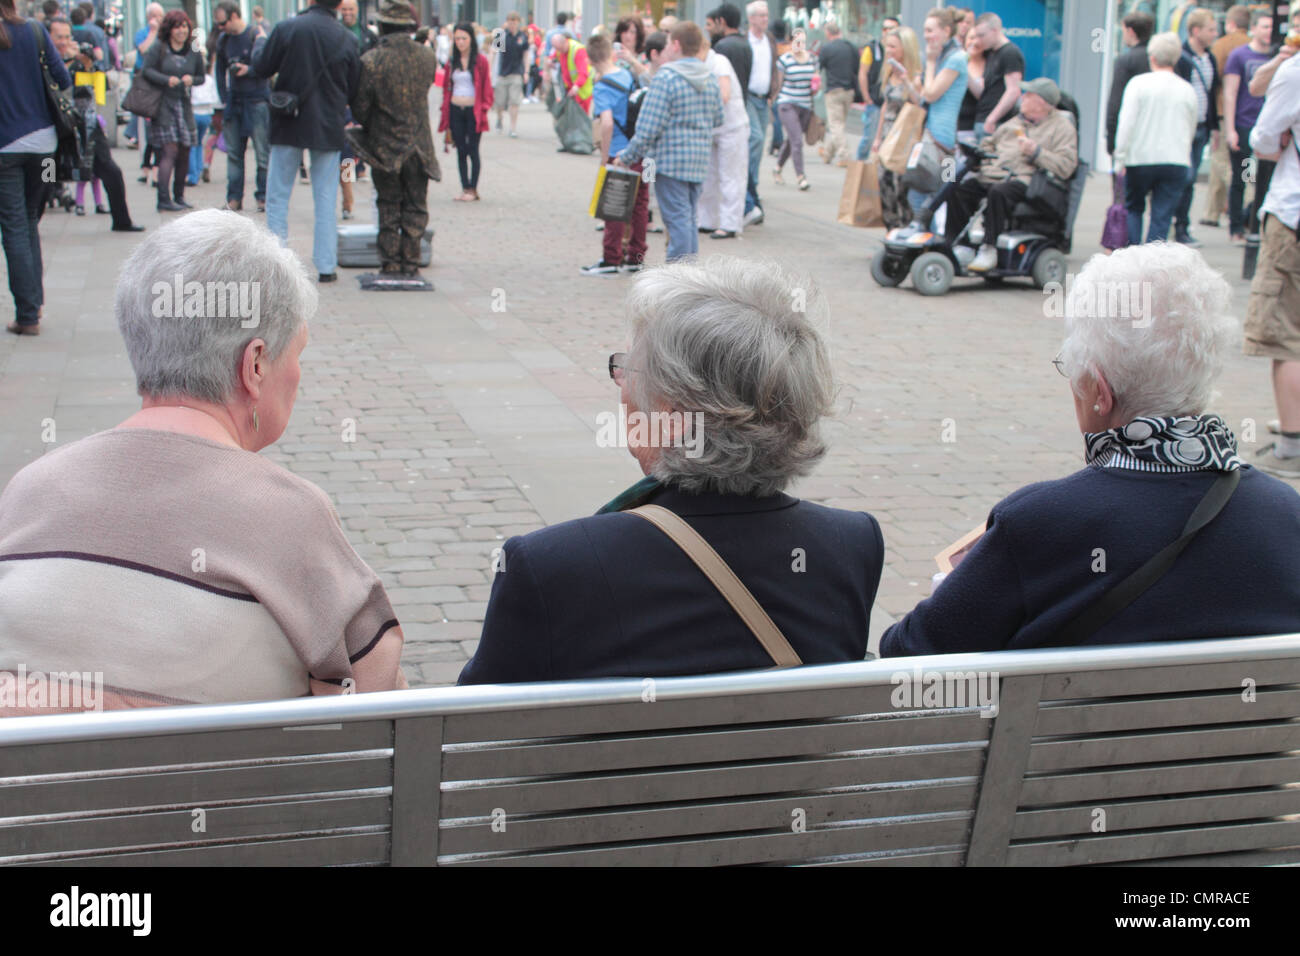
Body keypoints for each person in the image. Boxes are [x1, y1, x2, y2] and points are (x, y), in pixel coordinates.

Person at [0, 212, 410, 711]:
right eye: (297, 353)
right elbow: (376, 716)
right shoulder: (290, 518)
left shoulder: (27, 493)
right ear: (255, 365)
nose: (298, 374)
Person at [459, 257, 884, 684]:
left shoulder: (551, 567)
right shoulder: (851, 545)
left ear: (671, 412)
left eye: (629, 368)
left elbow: (470, 732)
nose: (621, 383)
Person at [881, 242, 1300, 657]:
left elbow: (907, 654)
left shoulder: (1037, 522)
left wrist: (953, 590)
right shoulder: (1287, 515)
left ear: (1100, 392)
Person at [253, 0, 360, 283]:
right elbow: (354, 86)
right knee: (325, 196)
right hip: (328, 124)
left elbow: (262, 67)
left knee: (277, 195)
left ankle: (277, 266)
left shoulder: (287, 28)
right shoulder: (347, 38)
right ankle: (326, 265)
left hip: (289, 119)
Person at [614, 21, 723, 263]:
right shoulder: (709, 77)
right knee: (688, 218)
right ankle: (689, 272)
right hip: (698, 160)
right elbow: (718, 117)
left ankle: (679, 277)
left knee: (677, 222)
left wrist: (627, 157)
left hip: (671, 160)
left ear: (676, 44)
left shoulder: (667, 77)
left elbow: (648, 126)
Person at [944, 78, 1078, 272]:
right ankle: (959, 245)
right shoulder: (1014, 122)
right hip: (993, 174)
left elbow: (1067, 166)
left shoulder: (1062, 128)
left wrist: (1037, 152)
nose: (1022, 98)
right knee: (958, 190)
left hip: (1027, 180)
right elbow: (990, 143)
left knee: (999, 193)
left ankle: (989, 248)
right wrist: (979, 152)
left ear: (1042, 102)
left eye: (1028, 95)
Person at [350, 0, 439, 277]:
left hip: (386, 146)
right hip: (419, 147)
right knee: (416, 206)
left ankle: (389, 262)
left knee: (388, 205)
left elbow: (361, 108)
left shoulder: (372, 61)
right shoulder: (427, 57)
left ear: (384, 27)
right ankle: (411, 262)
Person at [1243, 47, 1300, 479]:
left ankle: (1290, 446)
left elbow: (1262, 139)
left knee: (1284, 334)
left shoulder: (1295, 73)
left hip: (1293, 213)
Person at [1, 0, 70, 337]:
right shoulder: (33, 30)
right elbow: (62, 77)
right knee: (31, 218)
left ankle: (28, 313)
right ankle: (34, 303)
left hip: (5, 151)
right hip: (46, 149)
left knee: (15, 224)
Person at [51, 22, 142, 233]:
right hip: (55, 131)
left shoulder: (80, 63)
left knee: (112, 171)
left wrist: (88, 63)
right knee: (45, 177)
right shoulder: (47, 61)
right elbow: (59, 87)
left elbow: (98, 89)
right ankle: (31, 222)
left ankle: (122, 220)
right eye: (59, 37)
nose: (64, 42)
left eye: (67, 37)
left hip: (87, 127)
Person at [1115, 32, 1197, 246]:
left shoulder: (1138, 84)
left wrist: (1119, 157)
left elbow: (1127, 123)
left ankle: (1131, 258)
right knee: (1162, 216)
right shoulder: (1187, 90)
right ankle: (1154, 265)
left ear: (1152, 57)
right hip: (1175, 159)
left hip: (1140, 157)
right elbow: (1191, 126)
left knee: (1133, 209)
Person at [582, 33, 647, 275]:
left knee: (614, 205)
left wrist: (604, 158)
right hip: (641, 148)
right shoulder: (629, 75)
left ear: (590, 60)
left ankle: (611, 258)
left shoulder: (601, 87)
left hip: (619, 150)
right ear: (611, 53)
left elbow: (607, 123)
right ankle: (636, 257)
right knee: (640, 205)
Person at [141, 9, 204, 213]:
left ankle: (179, 196)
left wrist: (191, 80)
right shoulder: (159, 48)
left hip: (184, 105)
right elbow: (147, 71)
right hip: (163, 105)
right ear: (169, 29)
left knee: (185, 150)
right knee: (169, 151)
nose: (181, 31)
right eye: (177, 27)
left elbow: (201, 76)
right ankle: (163, 198)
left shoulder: (193, 51)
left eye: (184, 26)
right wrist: (166, 80)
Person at [909, 7, 967, 217]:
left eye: (931, 30)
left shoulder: (956, 58)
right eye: (925, 31)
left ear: (946, 30)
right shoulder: (940, 57)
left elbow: (931, 94)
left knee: (940, 191)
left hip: (942, 139)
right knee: (922, 189)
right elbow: (920, 95)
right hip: (931, 135)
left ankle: (934, 239)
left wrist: (931, 63)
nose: (927, 36)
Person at [1221, 10, 1273, 243]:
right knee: (1241, 179)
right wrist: (1230, 129)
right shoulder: (1239, 56)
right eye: (1264, 26)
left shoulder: (1278, 57)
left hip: (1268, 128)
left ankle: (1255, 226)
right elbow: (1230, 93)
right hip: (1244, 125)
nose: (1268, 31)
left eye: (1271, 26)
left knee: (1264, 181)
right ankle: (1236, 229)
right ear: (1252, 29)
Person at [1170, 6, 1220, 247]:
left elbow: (1211, 95)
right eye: (1211, 29)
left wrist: (1215, 127)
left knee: (1189, 181)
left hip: (1201, 128)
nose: (1214, 34)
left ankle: (1182, 226)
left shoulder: (1210, 58)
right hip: (1183, 128)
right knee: (1184, 178)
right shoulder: (1181, 57)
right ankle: (1175, 224)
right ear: (1196, 30)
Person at [865, 25, 922, 229]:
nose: (888, 50)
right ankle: (891, 231)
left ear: (905, 49)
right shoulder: (889, 72)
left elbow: (920, 104)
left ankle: (905, 229)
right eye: (887, 46)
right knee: (883, 183)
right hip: (888, 134)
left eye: (893, 46)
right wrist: (877, 138)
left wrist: (906, 80)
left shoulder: (915, 75)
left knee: (900, 186)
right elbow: (885, 107)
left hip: (905, 137)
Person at [215, 1, 269, 213]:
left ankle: (263, 196)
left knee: (263, 154)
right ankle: (234, 198)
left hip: (257, 102)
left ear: (235, 16)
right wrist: (224, 97)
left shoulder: (256, 34)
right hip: (234, 103)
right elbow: (219, 70)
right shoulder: (224, 40)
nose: (220, 28)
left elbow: (266, 64)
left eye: (223, 23)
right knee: (234, 155)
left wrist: (249, 70)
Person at [1200, 4, 1250, 229]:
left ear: (1230, 24)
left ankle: (1219, 209)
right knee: (1241, 163)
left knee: (1221, 162)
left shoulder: (1222, 46)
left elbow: (1214, 78)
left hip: (1223, 111)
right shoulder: (1252, 46)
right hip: (1247, 113)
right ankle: (1217, 210)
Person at [699, 28, 749, 238]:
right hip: (712, 129)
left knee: (731, 176)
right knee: (708, 176)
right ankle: (707, 220)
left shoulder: (719, 62)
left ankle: (730, 224)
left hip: (732, 126)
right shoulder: (699, 65)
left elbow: (724, 95)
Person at [438, 22, 491, 202]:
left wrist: (484, 107)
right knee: (460, 149)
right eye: (457, 38)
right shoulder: (451, 62)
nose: (460, 42)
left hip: (473, 111)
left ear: (471, 39)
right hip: (455, 109)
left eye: (464, 38)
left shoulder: (480, 61)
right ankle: (465, 187)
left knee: (473, 150)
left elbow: (486, 86)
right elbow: (446, 86)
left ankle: (473, 189)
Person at [743, 1, 778, 227]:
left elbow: (774, 67)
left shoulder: (769, 40)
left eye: (766, 15)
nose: (765, 19)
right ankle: (750, 185)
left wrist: (774, 90)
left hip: (764, 98)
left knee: (759, 142)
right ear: (752, 18)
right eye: (761, 16)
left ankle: (751, 185)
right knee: (754, 138)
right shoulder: (745, 41)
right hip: (747, 96)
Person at [772, 27, 816, 190]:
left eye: (803, 41)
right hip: (787, 103)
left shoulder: (812, 59)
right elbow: (778, 83)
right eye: (796, 41)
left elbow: (815, 81)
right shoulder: (784, 60)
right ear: (790, 42)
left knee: (792, 140)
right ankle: (800, 176)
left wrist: (815, 88)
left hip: (805, 105)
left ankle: (777, 168)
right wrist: (772, 99)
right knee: (797, 140)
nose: (800, 45)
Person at [1105, 10, 1153, 159]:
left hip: (1130, 133)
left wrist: (1111, 138)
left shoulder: (1126, 60)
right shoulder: (1159, 59)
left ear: (1131, 31)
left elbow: (1116, 100)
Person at [969, 12, 1023, 141]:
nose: (979, 41)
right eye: (977, 36)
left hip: (997, 123)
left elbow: (1013, 91)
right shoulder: (991, 54)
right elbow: (982, 91)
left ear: (995, 30)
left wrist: (992, 119)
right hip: (983, 118)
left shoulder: (1010, 53)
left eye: (982, 35)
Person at [816, 18, 855, 166]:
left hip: (833, 91)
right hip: (848, 91)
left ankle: (845, 155)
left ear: (828, 33)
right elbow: (857, 69)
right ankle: (827, 153)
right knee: (838, 125)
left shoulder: (827, 49)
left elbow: (817, 69)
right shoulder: (850, 47)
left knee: (835, 125)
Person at [186, 54, 221, 187]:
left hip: (194, 113)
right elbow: (214, 98)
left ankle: (193, 174)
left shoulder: (191, 80)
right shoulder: (209, 80)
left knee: (192, 145)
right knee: (199, 142)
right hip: (207, 114)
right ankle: (199, 169)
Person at [493, 11, 529, 137]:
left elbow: (526, 54)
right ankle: (499, 119)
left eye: (515, 22)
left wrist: (526, 71)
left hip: (516, 73)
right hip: (502, 73)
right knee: (500, 102)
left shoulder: (523, 36)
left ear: (518, 23)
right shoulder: (501, 35)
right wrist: (491, 71)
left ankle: (512, 128)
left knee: (514, 102)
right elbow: (494, 53)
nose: (512, 25)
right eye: (510, 22)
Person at [552, 29, 593, 115]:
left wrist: (576, 87)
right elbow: (553, 57)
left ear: (564, 42)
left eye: (560, 49)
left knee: (581, 119)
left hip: (583, 91)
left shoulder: (578, 50)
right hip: (571, 90)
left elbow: (583, 73)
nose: (559, 51)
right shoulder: (560, 50)